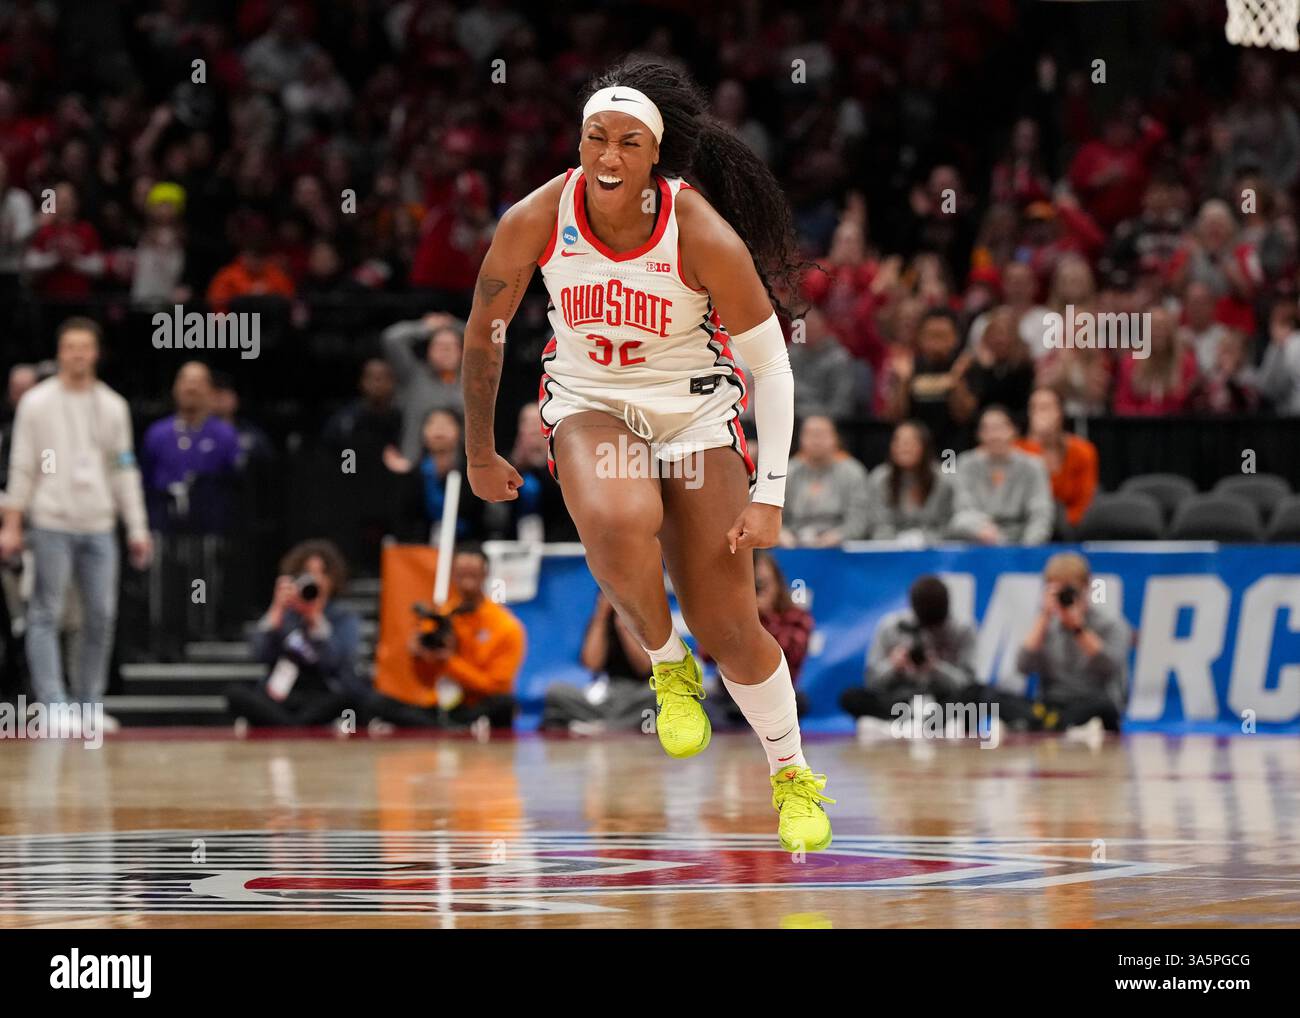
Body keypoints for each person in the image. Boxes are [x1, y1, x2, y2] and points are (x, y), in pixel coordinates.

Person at [461, 58, 834, 851]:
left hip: (697, 417)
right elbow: (484, 334)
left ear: (654, 156)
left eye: (628, 142)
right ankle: (667, 665)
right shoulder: (536, 217)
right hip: (592, 405)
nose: (607, 155)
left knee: (732, 628)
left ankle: (792, 775)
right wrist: (480, 448)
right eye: (596, 137)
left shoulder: (698, 230)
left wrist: (770, 491)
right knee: (619, 511)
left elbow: (770, 366)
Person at [0, 318, 152, 714]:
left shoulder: (114, 406)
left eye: (85, 347)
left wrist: (136, 527)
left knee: (101, 615)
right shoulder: (36, 404)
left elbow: (124, 468)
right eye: (70, 347)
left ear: (96, 353)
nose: (78, 354)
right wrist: (13, 524)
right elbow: (22, 465)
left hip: (99, 522)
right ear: (59, 352)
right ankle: (53, 704)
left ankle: (88, 703)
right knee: (45, 613)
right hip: (51, 520)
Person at [366, 544, 525, 730]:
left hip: (479, 704)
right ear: (453, 574)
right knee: (375, 703)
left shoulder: (505, 625)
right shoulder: (442, 617)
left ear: (485, 574)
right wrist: (420, 656)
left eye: (472, 573)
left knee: (504, 704)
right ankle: (443, 726)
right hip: (442, 704)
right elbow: (425, 680)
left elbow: (496, 687)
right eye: (461, 573)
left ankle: (455, 726)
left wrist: (450, 662)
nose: (466, 580)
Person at [986, 552, 1131, 737]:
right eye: (1056, 591)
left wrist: (1078, 628)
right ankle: (1050, 723)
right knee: (990, 697)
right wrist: (1044, 617)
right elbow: (1022, 666)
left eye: (1069, 591)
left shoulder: (1111, 624)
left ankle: (1051, 724)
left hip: (1090, 701)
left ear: (1086, 588)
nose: (1063, 597)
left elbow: (1109, 666)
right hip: (1051, 704)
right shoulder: (1046, 625)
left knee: (1103, 707)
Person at [226, 540, 363, 728]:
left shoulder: (343, 617)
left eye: (322, 573)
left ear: (332, 579)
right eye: (308, 573)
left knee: (352, 697)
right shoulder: (287, 616)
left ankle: (287, 726)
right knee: (236, 693)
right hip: (282, 695)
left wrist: (315, 619)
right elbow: (259, 653)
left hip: (321, 695)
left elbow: (337, 662)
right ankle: (296, 727)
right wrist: (276, 609)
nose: (315, 579)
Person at [840, 575, 977, 733]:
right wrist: (893, 665)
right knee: (851, 697)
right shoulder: (891, 627)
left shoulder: (963, 629)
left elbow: (968, 683)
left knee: (977, 695)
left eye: (936, 628)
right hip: (898, 699)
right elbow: (871, 681)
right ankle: (919, 723)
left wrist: (936, 668)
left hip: (942, 700)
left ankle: (910, 723)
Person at [705, 550, 813, 724]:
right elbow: (707, 654)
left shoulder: (798, 618)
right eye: (753, 585)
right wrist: (742, 615)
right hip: (732, 695)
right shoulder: (733, 615)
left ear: (777, 582)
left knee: (798, 701)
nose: (758, 591)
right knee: (704, 703)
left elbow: (791, 653)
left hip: (777, 694)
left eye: (763, 584)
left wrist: (763, 619)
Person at [541, 589, 655, 733]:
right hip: (606, 692)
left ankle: (604, 725)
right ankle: (615, 724)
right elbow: (592, 664)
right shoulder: (599, 623)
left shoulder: (644, 621)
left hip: (637, 693)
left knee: (655, 695)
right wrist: (601, 616)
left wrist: (624, 627)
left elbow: (644, 667)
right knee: (555, 691)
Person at [949, 405, 1053, 545]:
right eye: (987, 429)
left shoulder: (1033, 465)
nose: (994, 436)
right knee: (959, 522)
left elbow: (1041, 514)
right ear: (979, 435)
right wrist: (985, 530)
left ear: (1013, 430)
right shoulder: (966, 464)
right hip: (978, 539)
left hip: (1021, 541)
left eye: (999, 428)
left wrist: (1028, 549)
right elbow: (962, 510)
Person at [381, 312, 466, 462]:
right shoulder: (413, 376)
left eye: (452, 346)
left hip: (461, 468)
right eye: (439, 345)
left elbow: (498, 344)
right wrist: (426, 327)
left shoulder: (473, 382)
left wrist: (456, 326)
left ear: (461, 352)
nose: (446, 350)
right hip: (414, 466)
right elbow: (391, 338)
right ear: (429, 351)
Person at [1015, 387, 1099, 530]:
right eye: (1033, 408)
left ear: (1060, 412)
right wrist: (1035, 443)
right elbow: (1017, 502)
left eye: (1045, 407)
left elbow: (1085, 502)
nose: (1039, 414)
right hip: (1027, 528)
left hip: (1072, 529)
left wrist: (1063, 525)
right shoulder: (1018, 451)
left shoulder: (1083, 451)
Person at [782, 415, 871, 546]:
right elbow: (773, 516)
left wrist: (839, 535)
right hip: (794, 545)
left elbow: (859, 521)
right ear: (800, 439)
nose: (816, 440)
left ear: (836, 439)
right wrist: (781, 533)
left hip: (839, 547)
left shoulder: (852, 472)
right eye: (810, 434)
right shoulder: (788, 472)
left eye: (822, 434)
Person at [866, 420, 956, 543]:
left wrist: (924, 539)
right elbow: (877, 525)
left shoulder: (943, 480)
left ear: (924, 446)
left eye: (909, 442)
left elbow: (949, 525)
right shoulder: (879, 479)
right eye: (897, 441)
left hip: (933, 550)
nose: (903, 447)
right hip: (890, 551)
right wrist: (897, 541)